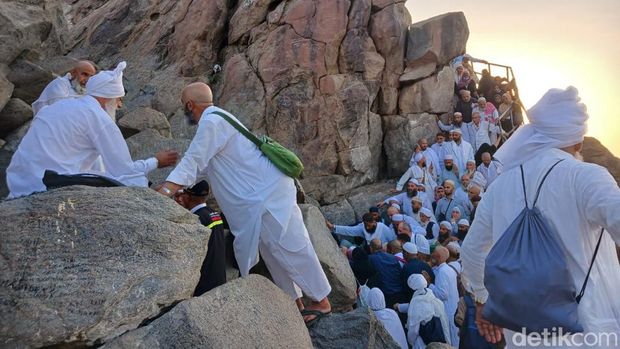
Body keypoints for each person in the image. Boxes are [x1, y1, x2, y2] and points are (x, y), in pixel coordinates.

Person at [156, 82, 332, 324]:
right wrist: (171, 186)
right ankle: (294, 302)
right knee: (273, 250)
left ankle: (321, 301)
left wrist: (165, 191)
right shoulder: (219, 119)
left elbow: (194, 161)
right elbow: (201, 168)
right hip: (262, 195)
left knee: (289, 245)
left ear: (189, 105)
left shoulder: (211, 122)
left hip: (266, 196)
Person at [461, 86, 620, 347]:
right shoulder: (586, 177)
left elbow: (471, 251)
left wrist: (482, 300)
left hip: (524, 337)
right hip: (591, 333)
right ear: (578, 140)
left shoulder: (499, 187)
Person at [6, 61, 178, 198]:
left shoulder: (63, 104)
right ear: (109, 98)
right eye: (118, 99)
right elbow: (124, 170)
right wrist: (155, 161)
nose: (119, 105)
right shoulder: (98, 117)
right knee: (130, 183)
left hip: (19, 182)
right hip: (47, 184)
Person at [173, 180, 227, 295]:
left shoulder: (196, 219)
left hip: (204, 281)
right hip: (219, 275)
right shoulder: (214, 213)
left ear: (188, 196)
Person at [32, 60, 97, 115]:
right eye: (84, 74)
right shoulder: (59, 83)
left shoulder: (87, 93)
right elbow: (59, 109)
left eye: (91, 77)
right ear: (73, 72)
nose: (87, 80)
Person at [405, 274, 452, 348]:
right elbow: (444, 324)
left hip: (422, 344)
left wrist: (410, 342)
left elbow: (413, 330)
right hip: (440, 344)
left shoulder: (416, 304)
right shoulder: (436, 300)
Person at [429, 246, 460, 347]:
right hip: (452, 309)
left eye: (433, 252)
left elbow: (442, 294)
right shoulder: (447, 269)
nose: (431, 254)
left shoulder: (443, 272)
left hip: (448, 312)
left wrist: (429, 284)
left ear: (437, 256)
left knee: (451, 341)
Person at [368, 239, 406, 308]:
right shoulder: (393, 257)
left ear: (371, 248)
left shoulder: (370, 259)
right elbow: (400, 274)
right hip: (399, 292)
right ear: (382, 247)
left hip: (385, 293)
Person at [328, 213, 395, 247]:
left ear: (374, 222)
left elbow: (392, 240)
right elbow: (349, 230)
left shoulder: (383, 227)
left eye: (369, 225)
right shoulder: (362, 227)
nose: (367, 228)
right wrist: (333, 227)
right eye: (366, 225)